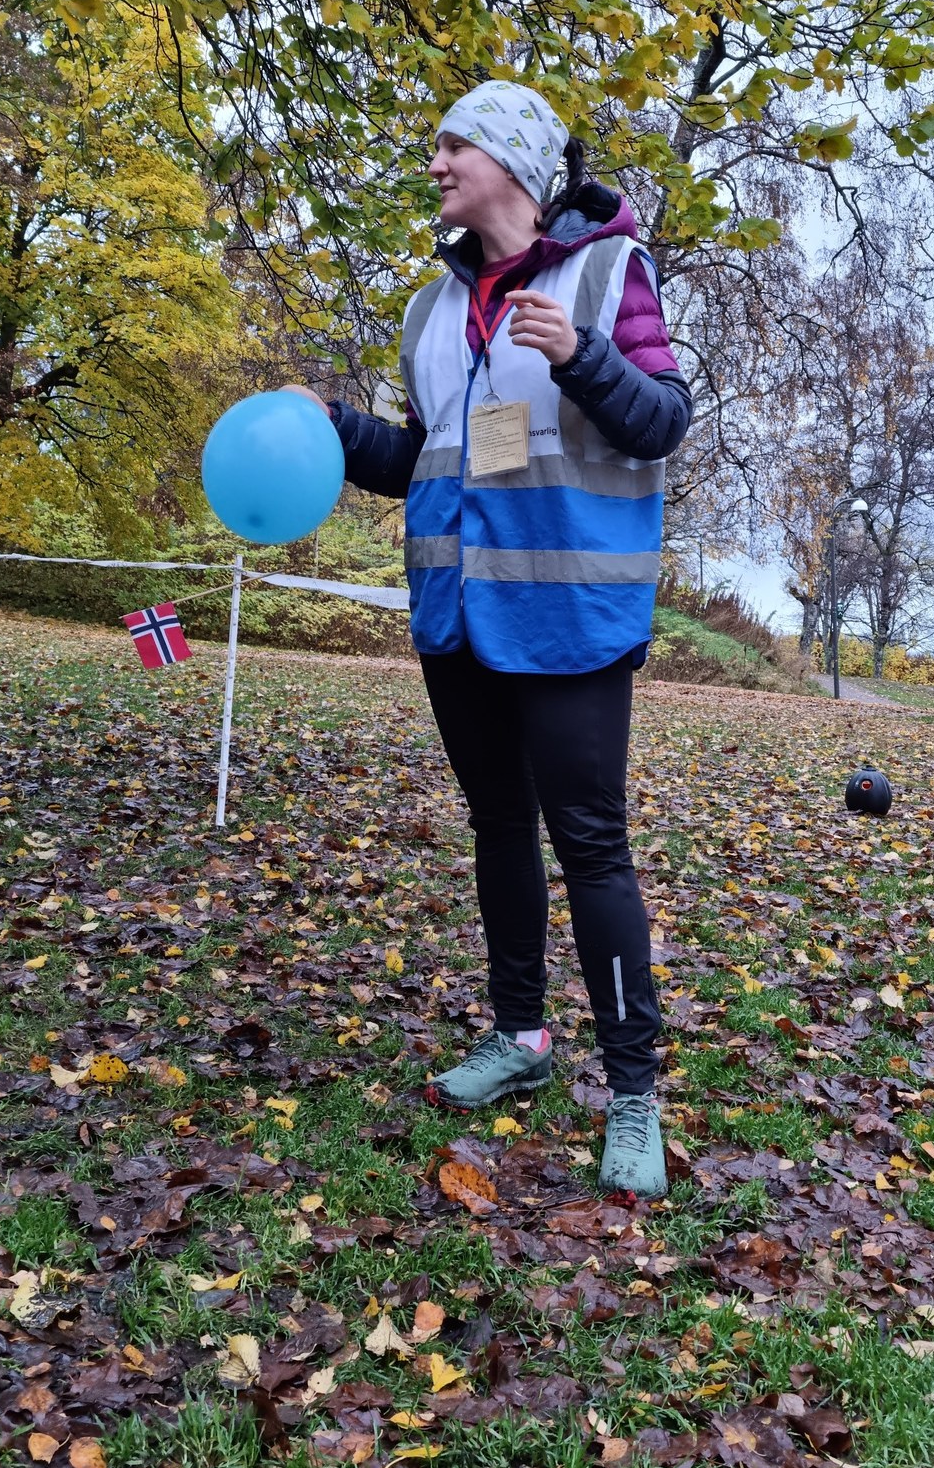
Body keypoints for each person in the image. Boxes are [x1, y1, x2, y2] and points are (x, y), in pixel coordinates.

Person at [292, 81, 692, 1199]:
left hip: (570, 621)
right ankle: (518, 1036)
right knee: (496, 827)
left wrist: (582, 357)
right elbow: (427, 457)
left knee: (593, 848)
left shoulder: (609, 274)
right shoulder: (432, 308)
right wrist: (334, 432)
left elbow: (662, 422)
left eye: (452, 145)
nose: (435, 165)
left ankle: (632, 1089)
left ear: (511, 159)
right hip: (459, 617)